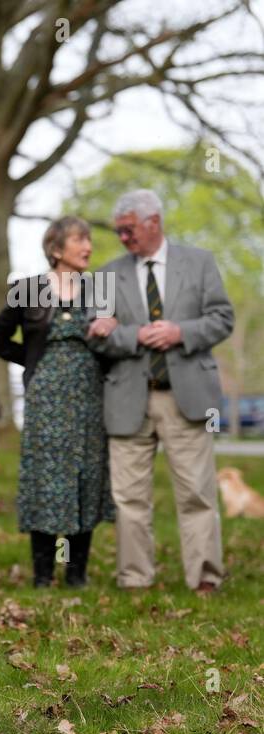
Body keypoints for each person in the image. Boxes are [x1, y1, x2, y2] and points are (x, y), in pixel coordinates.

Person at [88, 189, 233, 593]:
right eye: (118, 231)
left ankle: (205, 577)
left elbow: (222, 319)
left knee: (197, 494)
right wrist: (136, 336)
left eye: (128, 229)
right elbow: (97, 337)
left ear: (154, 222)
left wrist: (179, 332)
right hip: (127, 400)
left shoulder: (200, 263)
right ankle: (135, 579)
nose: (122, 237)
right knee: (130, 500)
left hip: (187, 400)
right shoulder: (105, 274)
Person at [0, 216, 114, 586]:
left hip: (90, 398)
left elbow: (114, 343)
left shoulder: (99, 289)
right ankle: (42, 575)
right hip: (45, 399)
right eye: (80, 240)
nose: (88, 247)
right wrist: (32, 360)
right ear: (56, 249)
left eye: (89, 240)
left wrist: (112, 328)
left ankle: (77, 575)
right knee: (46, 480)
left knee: (84, 477)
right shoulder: (28, 289)